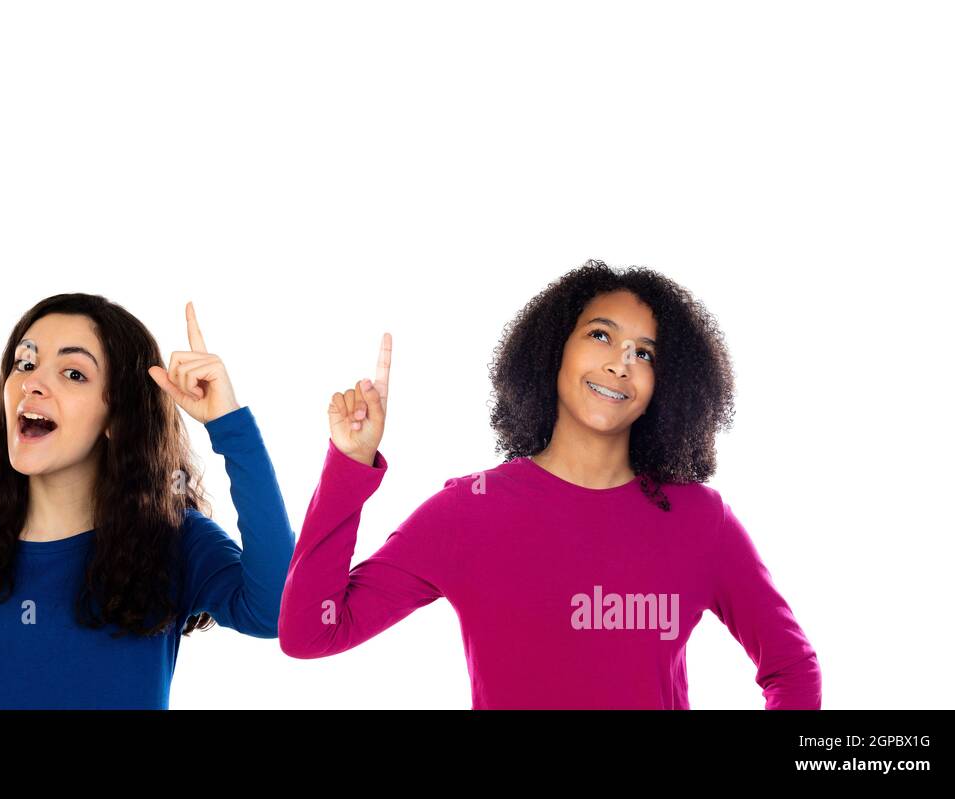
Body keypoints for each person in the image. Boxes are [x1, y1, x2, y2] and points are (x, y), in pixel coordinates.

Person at [279, 259, 821, 709]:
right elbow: (311, 631)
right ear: (553, 351)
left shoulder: (701, 520)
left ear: (668, 383)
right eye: (601, 335)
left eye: (645, 353)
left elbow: (792, 669)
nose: (620, 364)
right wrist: (349, 465)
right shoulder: (467, 512)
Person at [0, 295, 294, 709]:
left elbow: (276, 611)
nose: (32, 383)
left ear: (117, 418)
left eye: (73, 373)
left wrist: (229, 425)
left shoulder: (174, 538)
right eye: (25, 364)